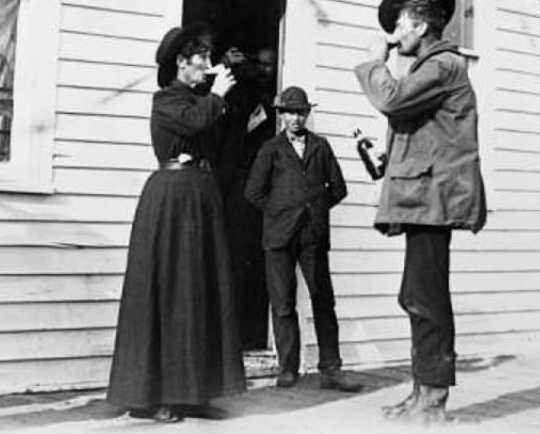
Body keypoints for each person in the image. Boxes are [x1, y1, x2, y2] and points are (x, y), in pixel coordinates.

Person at [354, 0, 487, 424]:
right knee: (418, 295)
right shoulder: (430, 67)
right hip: (423, 198)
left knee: (426, 298)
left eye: (400, 25)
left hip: (434, 200)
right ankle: (421, 392)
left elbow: (390, 100)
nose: (393, 34)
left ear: (423, 25)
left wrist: (375, 60)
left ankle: (433, 402)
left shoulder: (442, 65)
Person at [107, 25, 246, 423]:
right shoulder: (166, 99)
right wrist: (217, 97)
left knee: (198, 292)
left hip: (199, 197)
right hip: (171, 200)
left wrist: (229, 110)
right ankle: (154, 397)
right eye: (201, 58)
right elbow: (191, 124)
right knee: (169, 293)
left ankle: (192, 392)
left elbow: (214, 140)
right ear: (181, 64)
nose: (208, 64)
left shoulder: (202, 101)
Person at [244, 86, 362, 393]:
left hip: (313, 235)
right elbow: (253, 192)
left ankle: (331, 370)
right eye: (290, 112)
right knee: (282, 304)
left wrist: (315, 209)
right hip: (279, 237)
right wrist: (283, 210)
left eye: (301, 112)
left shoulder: (321, 146)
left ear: (307, 114)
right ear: (281, 115)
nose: (296, 118)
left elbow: (338, 188)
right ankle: (287, 369)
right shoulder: (271, 148)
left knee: (323, 300)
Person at [215, 46, 277, 350]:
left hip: (259, 194)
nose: (264, 73)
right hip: (236, 191)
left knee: (254, 265)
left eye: (269, 66)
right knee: (237, 262)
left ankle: (251, 333)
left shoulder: (271, 109)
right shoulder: (238, 103)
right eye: (259, 66)